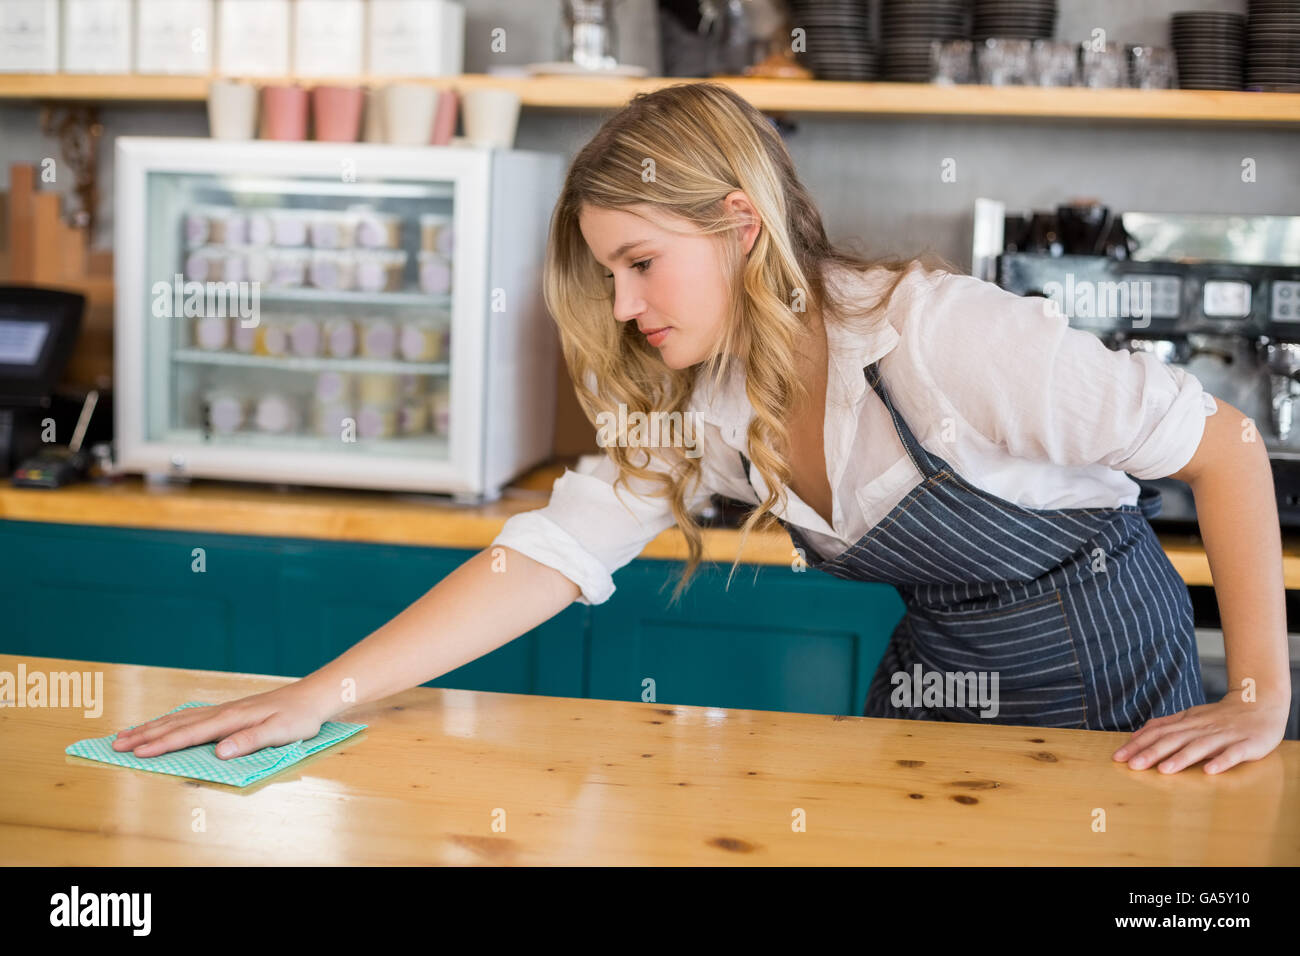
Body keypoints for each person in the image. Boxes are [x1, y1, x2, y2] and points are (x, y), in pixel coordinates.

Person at [111, 82, 1290, 775]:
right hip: (942, 668)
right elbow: (552, 554)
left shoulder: (941, 336)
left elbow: (1224, 445)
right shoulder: (698, 395)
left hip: (1114, 669)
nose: (623, 307)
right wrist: (322, 691)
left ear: (739, 224)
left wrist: (1253, 694)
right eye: (605, 274)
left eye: (638, 263)